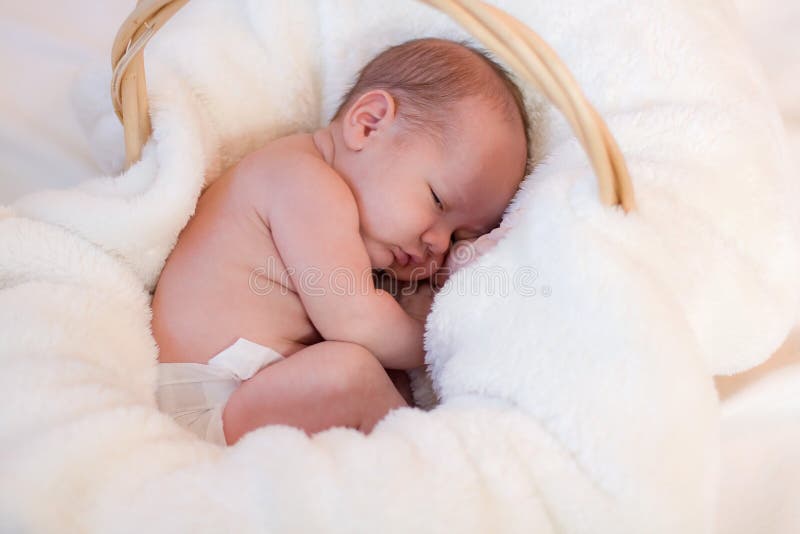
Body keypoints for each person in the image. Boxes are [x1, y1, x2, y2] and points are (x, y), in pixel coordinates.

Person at [150, 37, 531, 446]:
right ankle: (427, 459)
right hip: (211, 406)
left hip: (255, 395)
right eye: (438, 201)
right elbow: (357, 321)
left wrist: (456, 270)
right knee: (351, 373)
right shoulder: (303, 183)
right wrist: (446, 333)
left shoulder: (349, 215)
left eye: (458, 235)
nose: (437, 244)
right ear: (368, 124)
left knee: (379, 377)